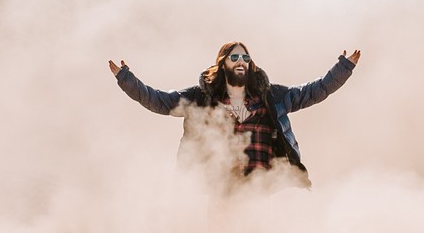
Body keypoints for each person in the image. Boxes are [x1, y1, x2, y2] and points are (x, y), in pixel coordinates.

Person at [108, 42, 360, 188]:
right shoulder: (200, 98)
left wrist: (343, 67)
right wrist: (126, 79)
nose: (241, 60)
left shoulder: (272, 96)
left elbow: (313, 91)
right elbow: (158, 101)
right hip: (222, 190)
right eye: (235, 56)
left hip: (261, 189)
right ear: (223, 63)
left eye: (246, 57)